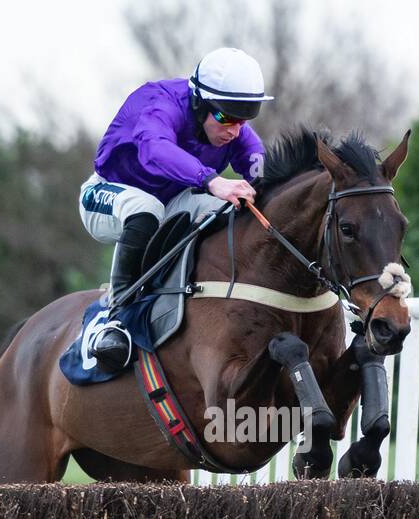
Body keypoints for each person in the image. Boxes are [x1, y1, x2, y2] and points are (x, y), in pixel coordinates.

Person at [77, 47, 273, 370]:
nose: (234, 131)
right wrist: (211, 180)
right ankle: (117, 317)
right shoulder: (159, 105)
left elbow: (260, 168)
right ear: (199, 103)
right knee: (147, 208)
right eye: (225, 118)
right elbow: (155, 149)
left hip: (170, 202)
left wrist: (271, 191)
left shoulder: (232, 126)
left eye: (243, 121)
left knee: (228, 211)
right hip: (105, 195)